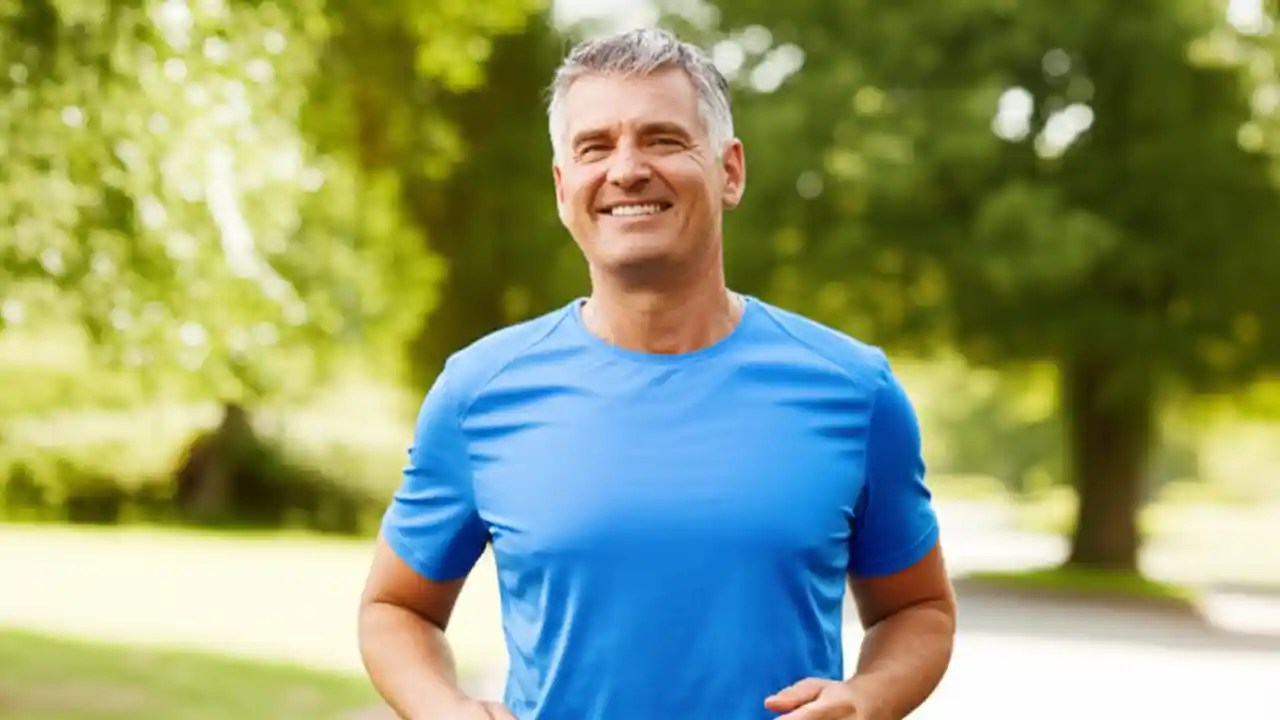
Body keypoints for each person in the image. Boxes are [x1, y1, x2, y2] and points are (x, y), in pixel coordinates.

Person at [357, 27, 956, 720]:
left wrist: (869, 698)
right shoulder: (479, 392)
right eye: (595, 147)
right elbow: (396, 607)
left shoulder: (854, 390)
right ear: (562, 188)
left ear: (730, 171)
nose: (627, 169)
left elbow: (918, 608)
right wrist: (443, 709)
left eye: (663, 140)